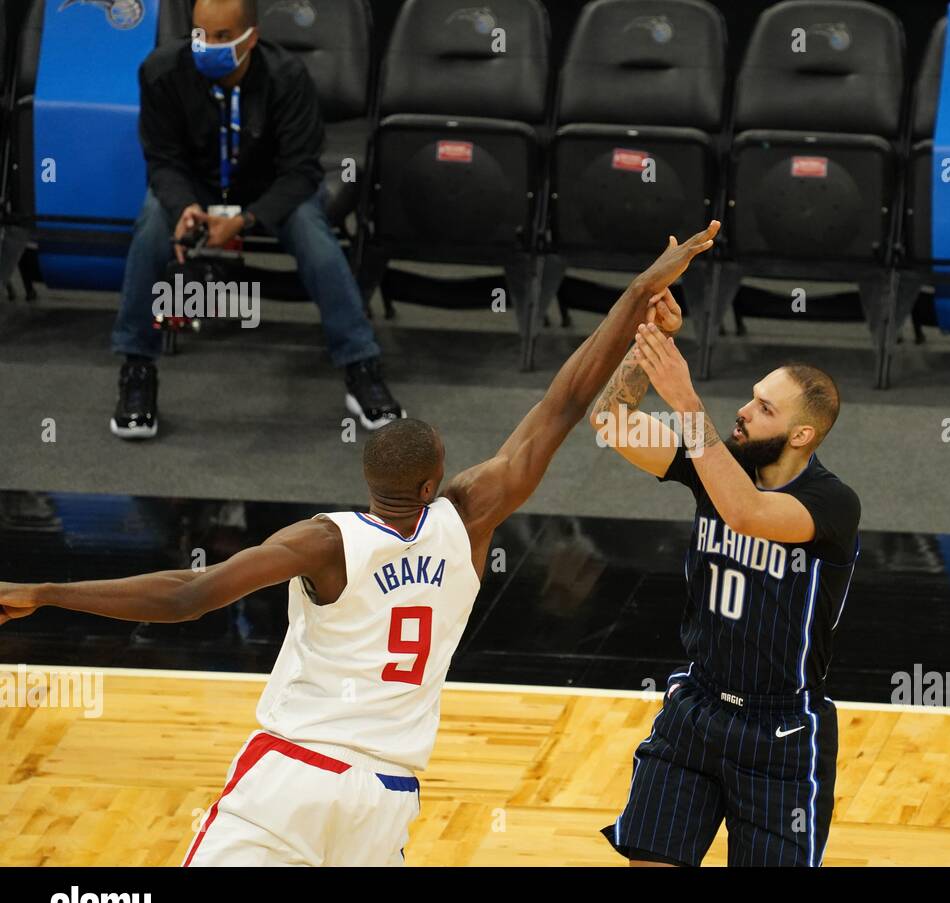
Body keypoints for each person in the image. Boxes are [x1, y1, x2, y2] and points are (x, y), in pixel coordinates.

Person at [0, 221, 721, 866]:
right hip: (384, 797)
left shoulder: (325, 543)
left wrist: (46, 591)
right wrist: (634, 299)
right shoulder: (467, 517)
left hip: (290, 778)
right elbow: (561, 404)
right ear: (437, 477)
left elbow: (189, 594)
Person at [590, 307, 861, 867]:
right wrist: (653, 344)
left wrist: (687, 401)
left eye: (765, 409)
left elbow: (745, 511)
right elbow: (610, 421)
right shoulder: (720, 460)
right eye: (751, 396)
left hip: (781, 731)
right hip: (699, 707)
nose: (743, 411)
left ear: (801, 434)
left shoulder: (833, 504)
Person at [111, 0, 401, 439]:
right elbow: (163, 160)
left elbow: (302, 170)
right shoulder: (161, 73)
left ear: (252, 37)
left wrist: (247, 220)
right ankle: (137, 371)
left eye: (222, 37)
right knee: (153, 223)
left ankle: (361, 366)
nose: (206, 46)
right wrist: (183, 206)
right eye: (199, 34)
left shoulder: (288, 78)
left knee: (314, 237)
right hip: (198, 187)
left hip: (272, 188)